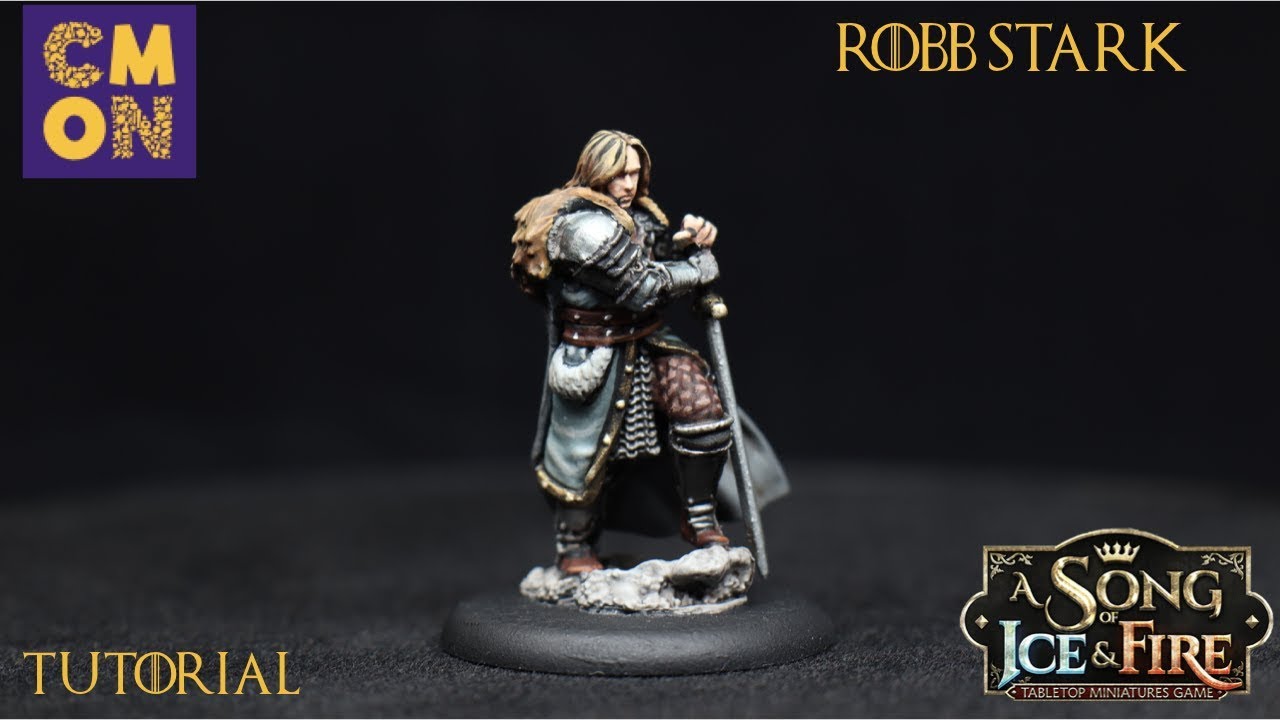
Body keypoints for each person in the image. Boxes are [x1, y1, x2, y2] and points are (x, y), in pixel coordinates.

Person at [511, 130, 736, 574]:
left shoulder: (635, 215)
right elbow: (642, 287)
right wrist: (696, 270)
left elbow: (653, 253)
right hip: (594, 354)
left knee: (703, 413)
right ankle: (574, 544)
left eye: (635, 172)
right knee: (581, 457)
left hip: (648, 341)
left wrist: (688, 243)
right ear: (597, 172)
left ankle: (699, 518)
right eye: (619, 174)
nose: (629, 183)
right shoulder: (581, 228)